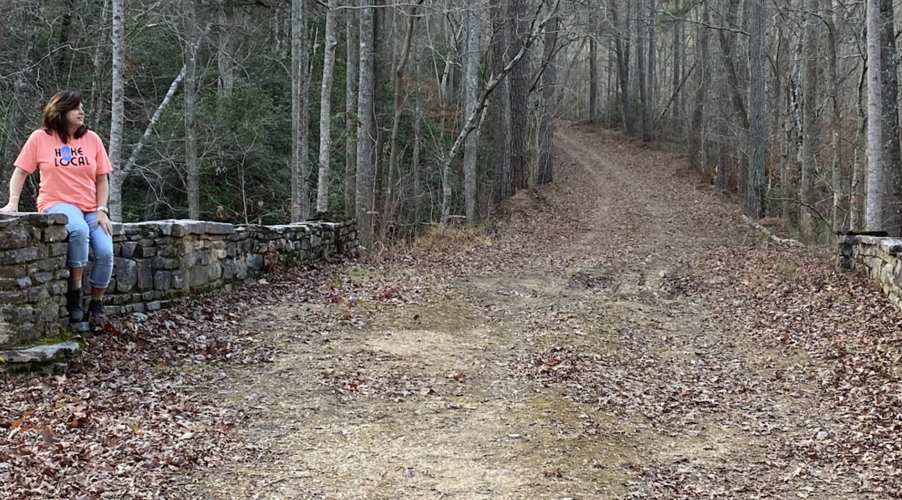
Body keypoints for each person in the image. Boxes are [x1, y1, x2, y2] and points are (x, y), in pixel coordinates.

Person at [0, 91, 114, 325]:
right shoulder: (40, 138)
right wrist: (13, 201)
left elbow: (102, 179)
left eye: (81, 107)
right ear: (60, 112)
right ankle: (75, 291)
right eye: (75, 108)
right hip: (57, 202)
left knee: (105, 251)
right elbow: (20, 172)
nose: (81, 111)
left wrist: (102, 209)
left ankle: (96, 303)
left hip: (91, 206)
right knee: (79, 230)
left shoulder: (92, 139)